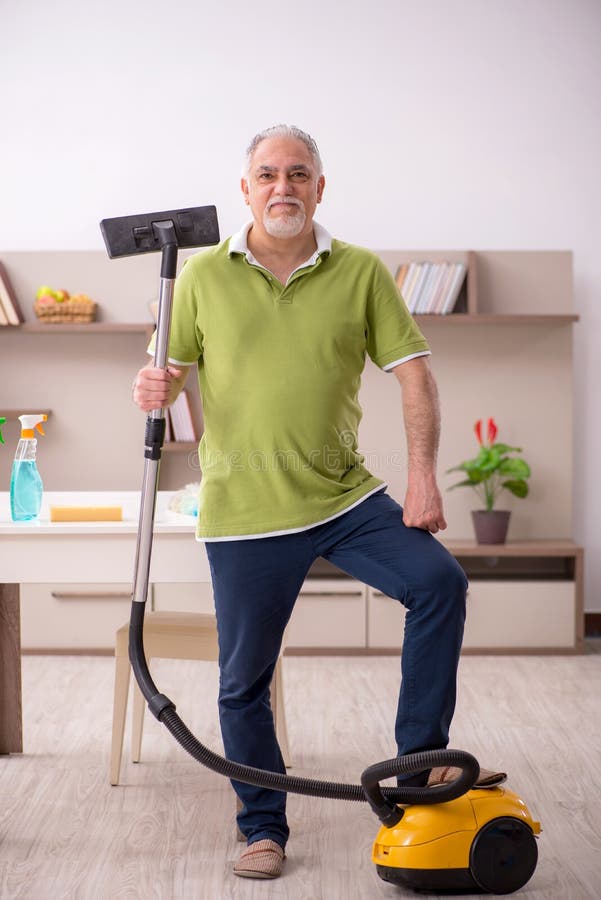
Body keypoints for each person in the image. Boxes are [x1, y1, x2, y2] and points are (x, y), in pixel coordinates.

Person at [132, 125, 502, 880]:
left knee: (438, 584)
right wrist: (152, 386)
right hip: (244, 510)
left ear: (319, 187)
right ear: (245, 190)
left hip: (343, 495)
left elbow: (413, 373)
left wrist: (423, 474)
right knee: (243, 683)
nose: (282, 187)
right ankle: (261, 830)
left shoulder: (360, 271)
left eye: (297, 173)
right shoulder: (200, 277)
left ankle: (418, 765)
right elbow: (164, 373)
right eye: (266, 174)